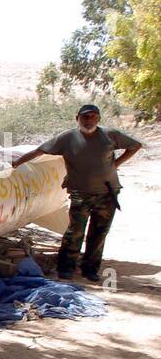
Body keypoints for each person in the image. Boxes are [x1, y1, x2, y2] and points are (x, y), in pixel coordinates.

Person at [9, 103, 142, 282]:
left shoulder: (110, 135)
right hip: (81, 194)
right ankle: (66, 268)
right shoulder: (67, 138)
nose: (89, 120)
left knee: (99, 233)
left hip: (108, 193)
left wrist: (116, 164)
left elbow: (135, 146)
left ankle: (90, 268)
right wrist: (17, 163)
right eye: (85, 117)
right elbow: (39, 151)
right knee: (75, 232)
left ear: (99, 118)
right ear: (77, 118)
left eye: (93, 116)